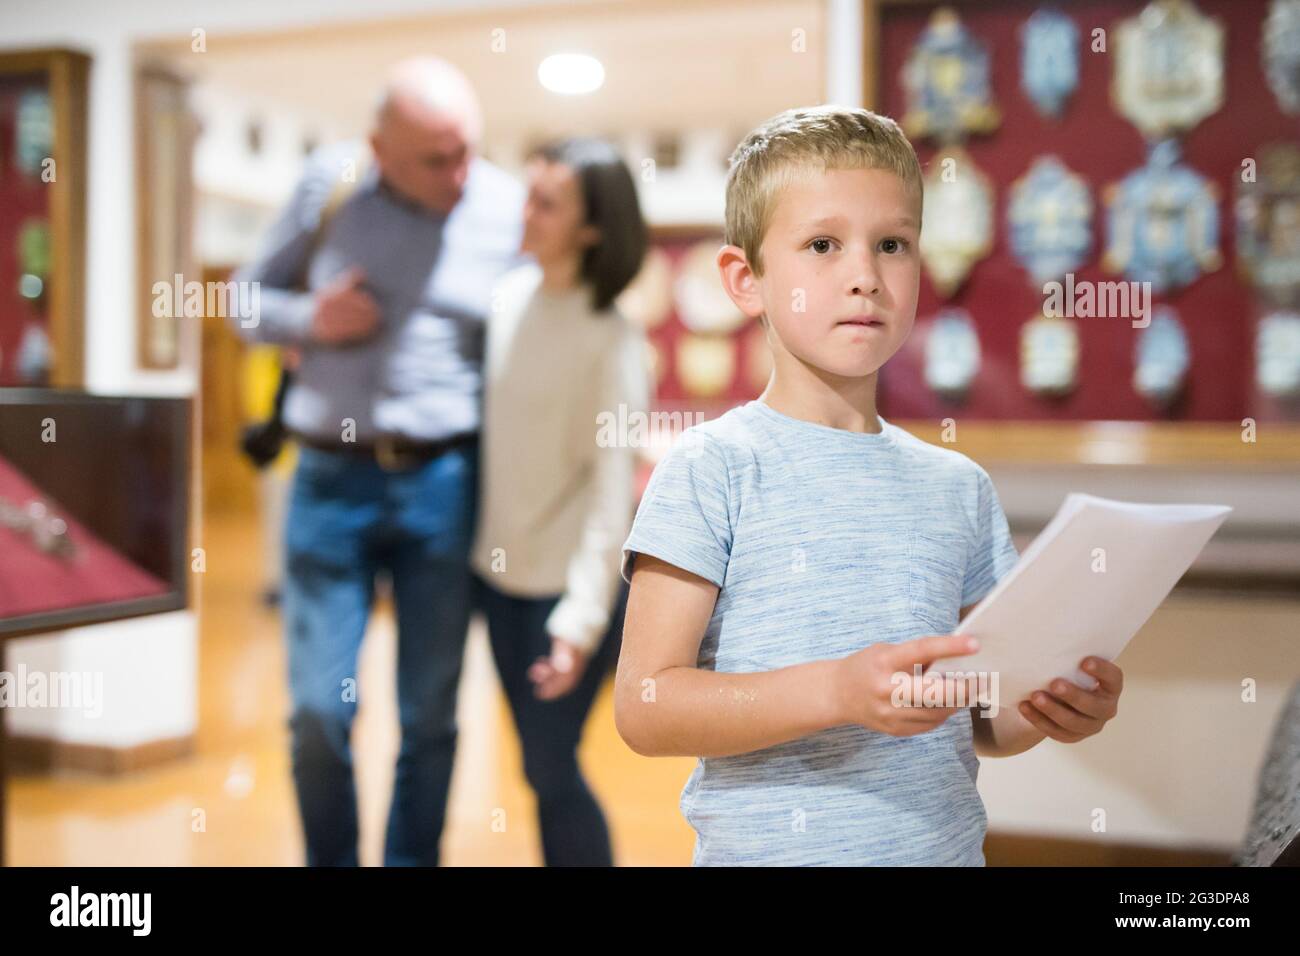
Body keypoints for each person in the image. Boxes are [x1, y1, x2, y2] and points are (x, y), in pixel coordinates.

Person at [613, 105, 1126, 866]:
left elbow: (981, 717)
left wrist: (1052, 705)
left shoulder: (958, 487)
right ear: (746, 280)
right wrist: (837, 692)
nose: (864, 277)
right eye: (823, 245)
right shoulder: (711, 467)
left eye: (892, 244)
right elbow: (646, 706)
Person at [229, 57, 526, 866]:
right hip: (330, 483)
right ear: (378, 150)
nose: (458, 175)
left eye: (467, 151)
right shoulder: (328, 188)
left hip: (447, 482)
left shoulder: (504, 208)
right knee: (319, 714)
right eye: (434, 159)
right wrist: (308, 317)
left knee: (429, 716)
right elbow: (241, 302)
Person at [470, 138, 650, 866]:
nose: (527, 213)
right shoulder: (506, 300)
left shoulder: (612, 341)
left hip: (567, 596)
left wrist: (579, 622)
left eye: (547, 204)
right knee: (537, 768)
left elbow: (612, 498)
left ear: (592, 229)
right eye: (529, 195)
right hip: (496, 582)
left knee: (550, 766)